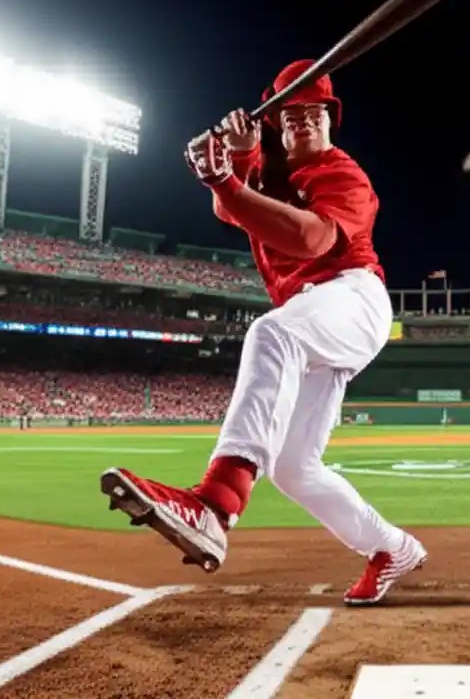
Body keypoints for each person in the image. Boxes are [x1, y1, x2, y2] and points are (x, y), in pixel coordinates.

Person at [99, 60, 426, 606]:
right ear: (276, 122)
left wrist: (226, 176)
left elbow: (312, 239)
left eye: (315, 111)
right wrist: (237, 159)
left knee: (272, 334)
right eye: (291, 113)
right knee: (294, 468)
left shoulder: (343, 174)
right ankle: (392, 548)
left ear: (331, 117)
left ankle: (215, 505)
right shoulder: (270, 171)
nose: (305, 120)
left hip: (353, 297)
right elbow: (231, 209)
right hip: (312, 313)